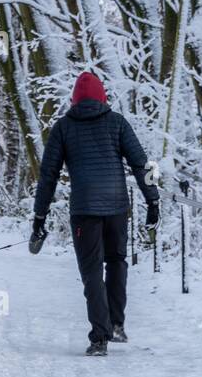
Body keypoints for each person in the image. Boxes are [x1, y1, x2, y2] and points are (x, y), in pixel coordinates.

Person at [32, 72, 160, 356]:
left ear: (73, 99)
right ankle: (116, 324)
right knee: (116, 261)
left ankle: (99, 339)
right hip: (116, 206)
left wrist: (39, 218)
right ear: (104, 97)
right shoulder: (117, 123)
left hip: (84, 211)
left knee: (91, 271)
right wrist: (154, 202)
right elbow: (144, 163)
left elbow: (48, 176)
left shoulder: (63, 127)